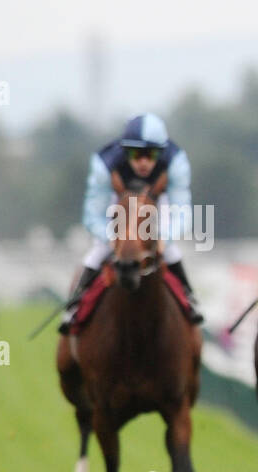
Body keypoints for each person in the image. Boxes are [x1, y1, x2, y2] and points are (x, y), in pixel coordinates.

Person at [61, 112, 201, 332]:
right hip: (117, 203)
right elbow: (93, 215)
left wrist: (164, 238)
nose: (144, 162)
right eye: (136, 154)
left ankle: (189, 300)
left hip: (156, 203)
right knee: (97, 252)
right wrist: (112, 239)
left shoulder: (175, 161)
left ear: (161, 153)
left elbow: (182, 211)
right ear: (126, 151)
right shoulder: (104, 164)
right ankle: (74, 306)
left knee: (172, 251)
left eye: (151, 154)